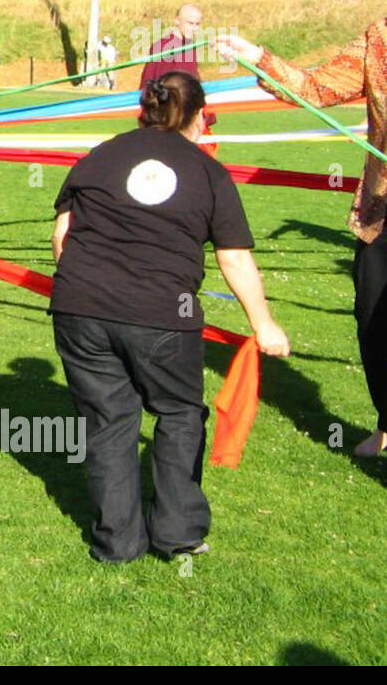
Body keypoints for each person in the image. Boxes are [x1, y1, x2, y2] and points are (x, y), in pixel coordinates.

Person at [50, 71, 289, 563]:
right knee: (179, 413)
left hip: (80, 307)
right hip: (160, 313)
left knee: (108, 422)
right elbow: (235, 256)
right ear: (200, 118)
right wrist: (264, 324)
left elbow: (63, 235)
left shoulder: (100, 156)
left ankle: (117, 543)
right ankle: (177, 532)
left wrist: (91, 288)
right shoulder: (208, 171)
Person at [220, 25, 387, 457]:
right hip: (381, 215)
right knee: (374, 320)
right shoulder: (378, 39)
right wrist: (258, 55)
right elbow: (316, 87)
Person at [141, 3, 216, 154]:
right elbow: (157, 80)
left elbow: (192, 79)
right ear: (177, 21)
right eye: (190, 23)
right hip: (170, 117)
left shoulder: (188, 46)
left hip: (187, 114)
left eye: (197, 24)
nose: (193, 28)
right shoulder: (163, 46)